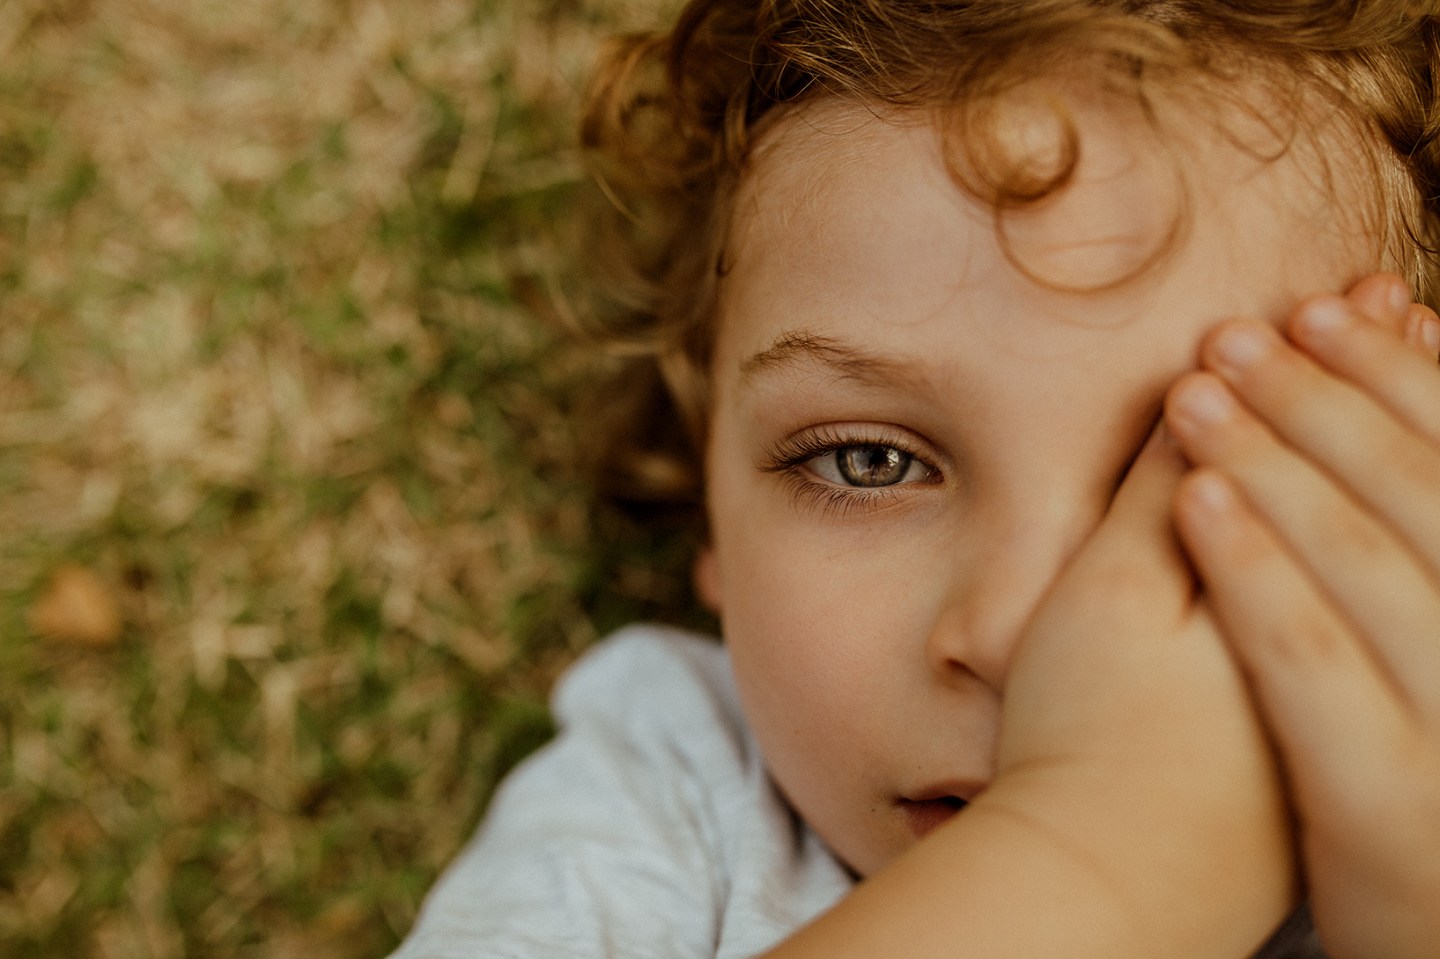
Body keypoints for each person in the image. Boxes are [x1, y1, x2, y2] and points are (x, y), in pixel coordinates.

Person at [389, 2, 1440, 957]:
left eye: (1183, 470)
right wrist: (1107, 848)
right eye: (869, 460)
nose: (1023, 634)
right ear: (714, 504)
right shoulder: (672, 803)